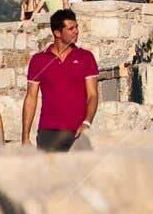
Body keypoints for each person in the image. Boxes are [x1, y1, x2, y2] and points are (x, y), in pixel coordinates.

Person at [21, 9, 99, 151]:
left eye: (76, 27)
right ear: (57, 33)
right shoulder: (38, 60)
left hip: (78, 132)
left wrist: (87, 122)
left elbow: (93, 95)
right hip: (48, 132)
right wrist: (25, 136)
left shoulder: (86, 57)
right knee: (49, 173)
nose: (76, 31)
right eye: (71, 28)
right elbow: (31, 98)